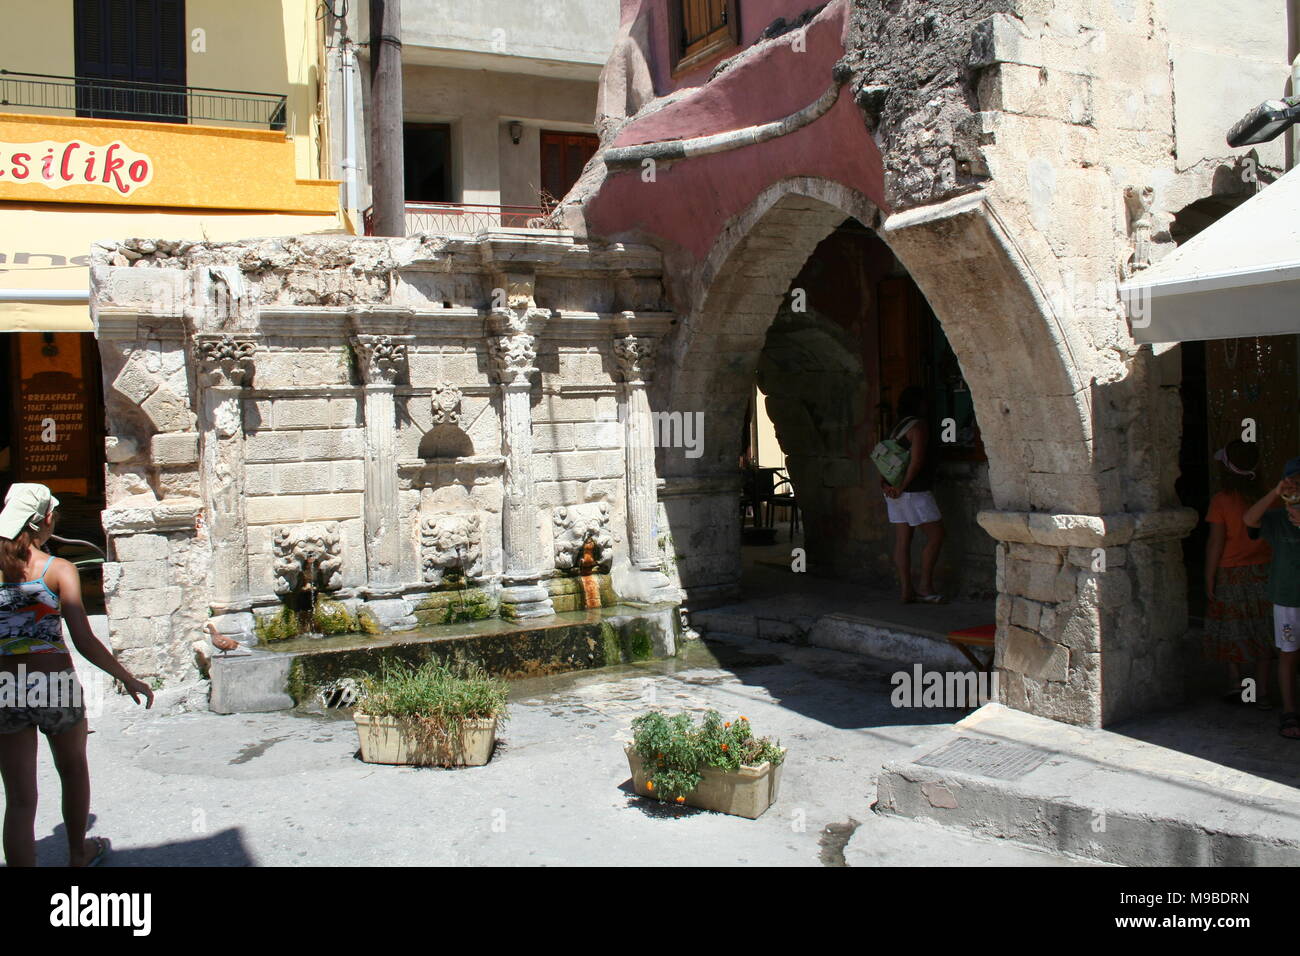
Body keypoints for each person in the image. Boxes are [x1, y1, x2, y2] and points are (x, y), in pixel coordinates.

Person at [0, 483, 153, 866]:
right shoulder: (59, 570)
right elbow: (83, 639)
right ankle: (77, 852)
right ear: (46, 520)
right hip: (55, 686)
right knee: (72, 771)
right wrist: (126, 676)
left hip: (6, 688)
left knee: (19, 798)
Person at [1203, 440, 1274, 706]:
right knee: (1262, 629)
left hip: (1231, 572)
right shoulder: (1268, 498)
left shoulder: (1221, 501)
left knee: (1232, 628)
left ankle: (1236, 683)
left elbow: (1216, 542)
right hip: (1263, 571)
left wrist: (1209, 576)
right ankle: (1263, 690)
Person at [1243, 459, 1300, 740]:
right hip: (1287, 601)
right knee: (1288, 654)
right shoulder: (1279, 520)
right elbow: (1250, 520)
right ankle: (1289, 711)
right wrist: (1275, 493)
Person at [881, 386, 945, 603]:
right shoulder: (918, 427)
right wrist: (903, 485)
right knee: (936, 535)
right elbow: (916, 462)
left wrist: (889, 485)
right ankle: (925, 586)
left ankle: (906, 590)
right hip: (913, 490)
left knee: (903, 540)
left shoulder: (895, 428)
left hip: (894, 491)